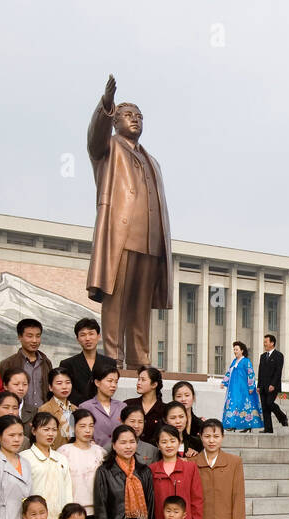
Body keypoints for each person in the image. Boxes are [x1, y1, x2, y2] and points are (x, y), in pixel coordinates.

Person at [85, 74, 173, 369]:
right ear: (115, 121)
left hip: (150, 241)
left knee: (140, 305)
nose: (134, 120)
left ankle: (139, 357)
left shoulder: (153, 161)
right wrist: (106, 104)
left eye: (139, 116)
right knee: (116, 301)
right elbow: (94, 137)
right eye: (127, 115)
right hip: (120, 238)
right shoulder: (107, 149)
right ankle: (113, 356)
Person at [93, 425, 154, 519]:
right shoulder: (105, 471)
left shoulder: (144, 471)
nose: (128, 446)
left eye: (132, 442)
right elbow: (101, 508)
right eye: (123, 442)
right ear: (114, 445)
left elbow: (150, 507)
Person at [148, 422, 203, 519]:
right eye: (164, 442)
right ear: (158, 445)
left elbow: (197, 500)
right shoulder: (152, 469)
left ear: (179, 443)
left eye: (172, 441)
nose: (169, 445)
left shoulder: (190, 468)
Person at [58, 409, 104, 519]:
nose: (87, 430)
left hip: (96, 512)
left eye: (91, 426)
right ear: (73, 427)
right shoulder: (64, 452)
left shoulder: (100, 452)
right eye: (82, 426)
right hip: (72, 513)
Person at [0, 318, 53, 422]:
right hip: (18, 416)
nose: (34, 340)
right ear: (20, 337)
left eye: (38, 336)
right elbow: (0, 392)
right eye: (30, 336)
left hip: (43, 415)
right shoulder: (8, 363)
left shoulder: (46, 362)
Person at [26, 412, 72, 519]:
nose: (50, 434)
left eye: (54, 430)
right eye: (46, 429)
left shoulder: (61, 458)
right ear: (34, 431)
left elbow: (68, 490)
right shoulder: (24, 458)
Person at [59, 317, 119, 404]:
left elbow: (110, 386)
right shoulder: (67, 364)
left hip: (102, 408)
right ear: (77, 339)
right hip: (77, 410)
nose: (87, 338)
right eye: (83, 335)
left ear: (98, 336)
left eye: (91, 334)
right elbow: (67, 389)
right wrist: (86, 405)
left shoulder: (110, 363)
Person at [221, 342, 263, 432]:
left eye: (237, 349)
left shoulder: (246, 361)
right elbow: (229, 372)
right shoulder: (234, 361)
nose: (235, 351)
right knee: (234, 404)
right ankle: (233, 424)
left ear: (242, 351)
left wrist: (251, 387)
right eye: (234, 350)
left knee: (245, 405)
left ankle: (247, 425)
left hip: (244, 388)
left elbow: (250, 374)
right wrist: (224, 382)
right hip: (234, 388)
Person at [78, 365, 123, 447]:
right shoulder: (85, 407)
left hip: (118, 456)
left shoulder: (122, 406)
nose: (113, 385)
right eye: (110, 381)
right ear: (97, 383)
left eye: (116, 382)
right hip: (94, 454)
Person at [124, 364, 167, 441]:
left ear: (154, 385)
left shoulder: (165, 409)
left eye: (143, 380)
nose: (138, 383)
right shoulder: (128, 404)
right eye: (138, 379)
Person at [36, 367, 78, 442]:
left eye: (68, 382)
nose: (64, 387)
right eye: (59, 383)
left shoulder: (76, 409)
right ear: (50, 387)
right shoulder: (44, 409)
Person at [257, 333, 288, 432]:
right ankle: (268, 429)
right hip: (263, 386)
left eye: (266, 342)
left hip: (273, 386)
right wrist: (258, 385)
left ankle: (282, 417)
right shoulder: (262, 356)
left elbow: (278, 371)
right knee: (264, 407)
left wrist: (273, 384)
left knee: (270, 403)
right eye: (264, 342)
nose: (264, 344)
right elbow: (260, 371)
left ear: (272, 343)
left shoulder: (279, 355)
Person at [171, 381, 205, 453]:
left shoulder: (200, 424)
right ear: (173, 399)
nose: (183, 399)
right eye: (179, 396)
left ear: (193, 397)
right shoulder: (167, 422)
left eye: (187, 395)